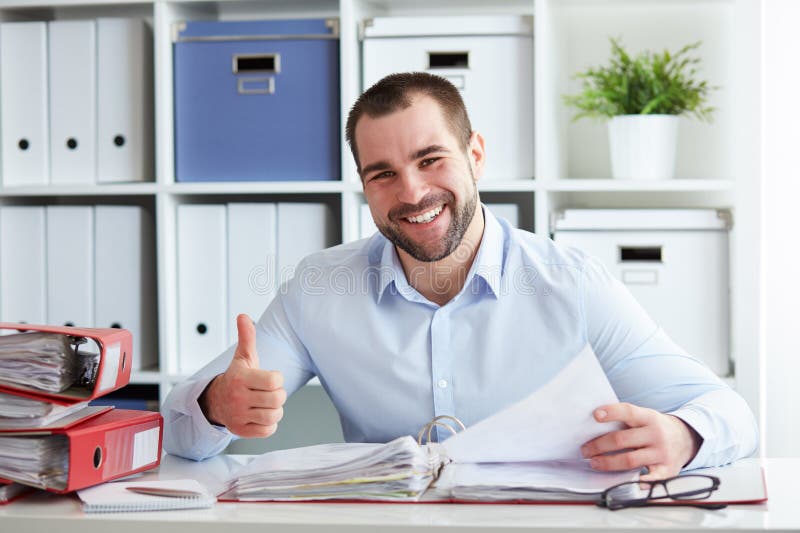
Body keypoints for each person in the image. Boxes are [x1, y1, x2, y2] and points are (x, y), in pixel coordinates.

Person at [162, 72, 757, 479]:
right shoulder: (318, 288)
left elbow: (729, 413)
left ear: (475, 154)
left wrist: (683, 437)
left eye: (430, 160)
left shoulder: (572, 283)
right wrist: (217, 405)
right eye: (383, 174)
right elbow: (178, 432)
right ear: (363, 186)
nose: (413, 192)